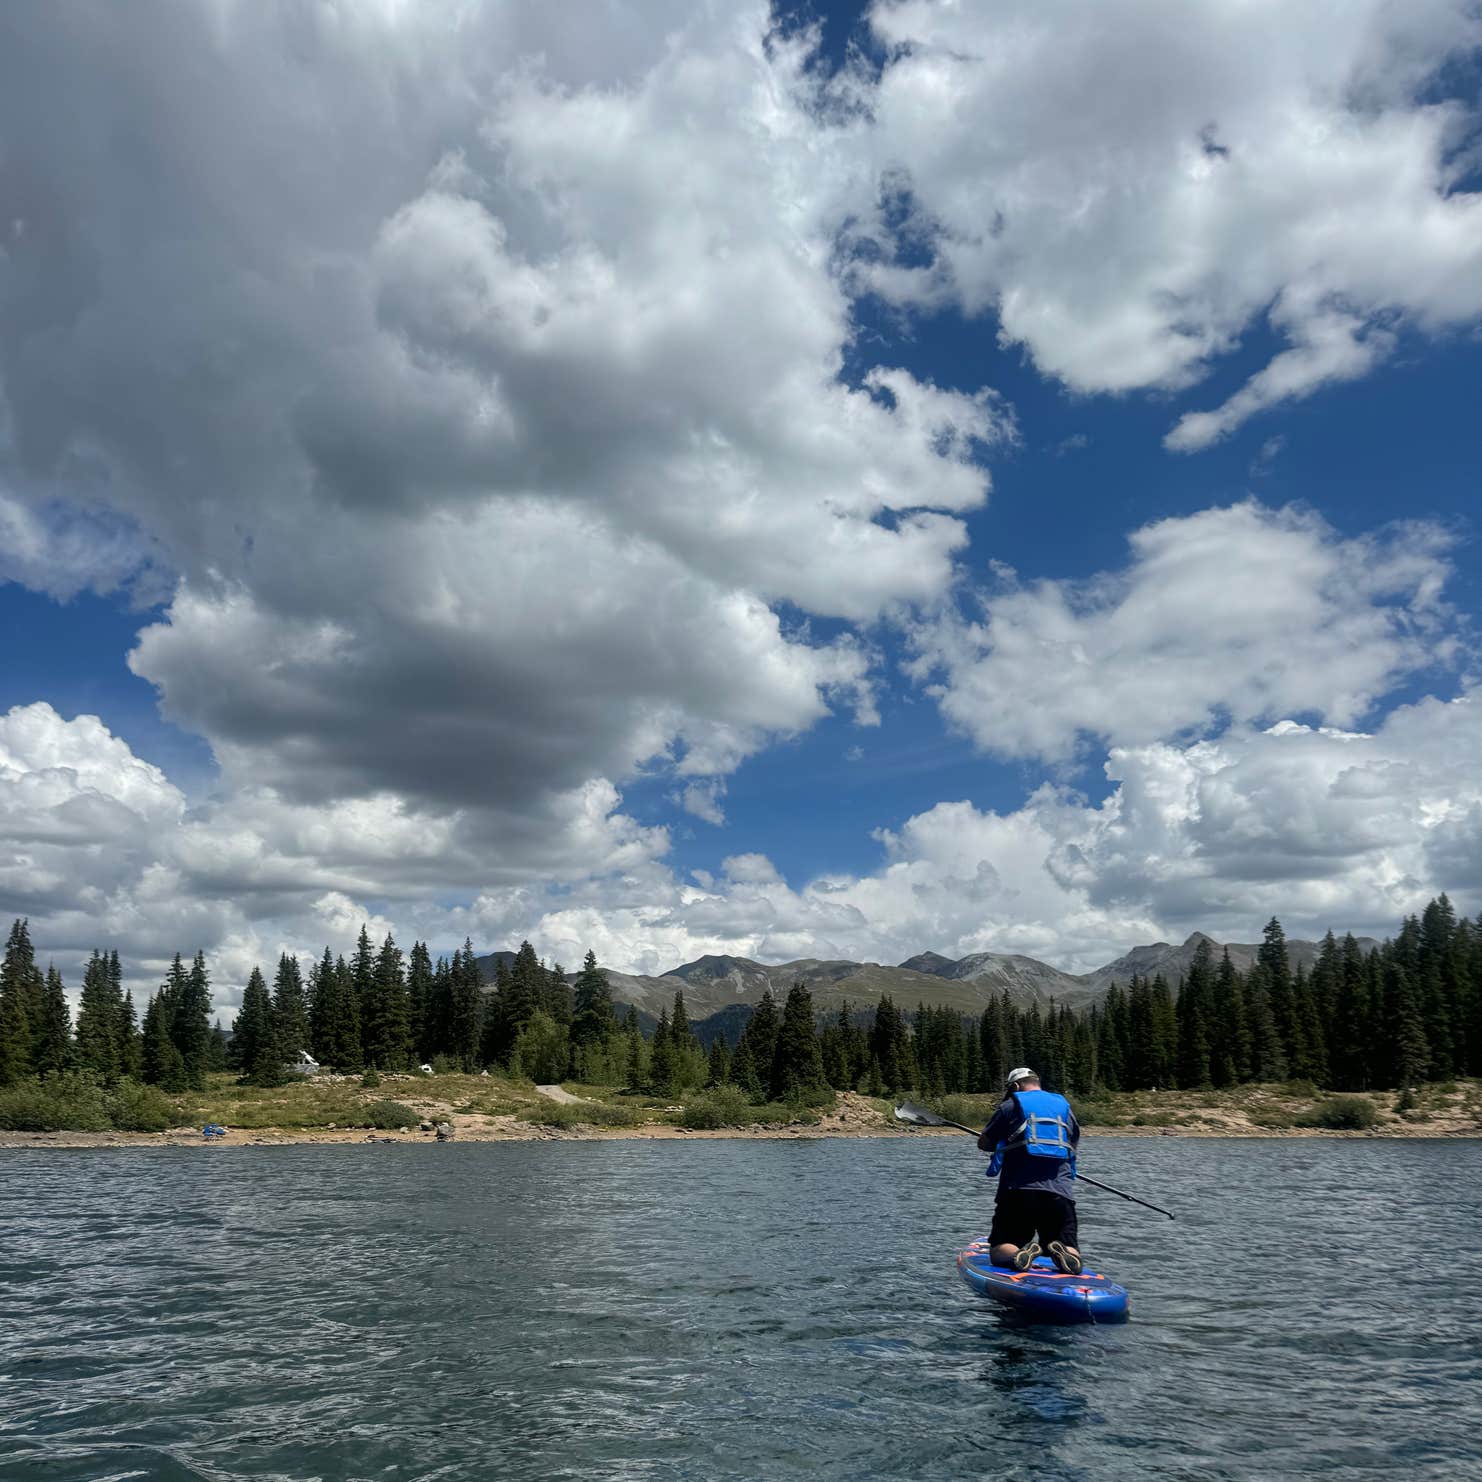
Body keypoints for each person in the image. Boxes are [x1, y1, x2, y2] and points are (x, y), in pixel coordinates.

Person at [977, 1066, 1083, 1274]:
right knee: (1066, 1241)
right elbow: (1073, 1143)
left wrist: (1003, 1143)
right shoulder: (1065, 1108)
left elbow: (984, 1143)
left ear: (1016, 1086)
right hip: (1059, 1192)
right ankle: (1066, 1252)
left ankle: (1017, 1255)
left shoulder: (1010, 1105)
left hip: (1017, 1191)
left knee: (1001, 1247)